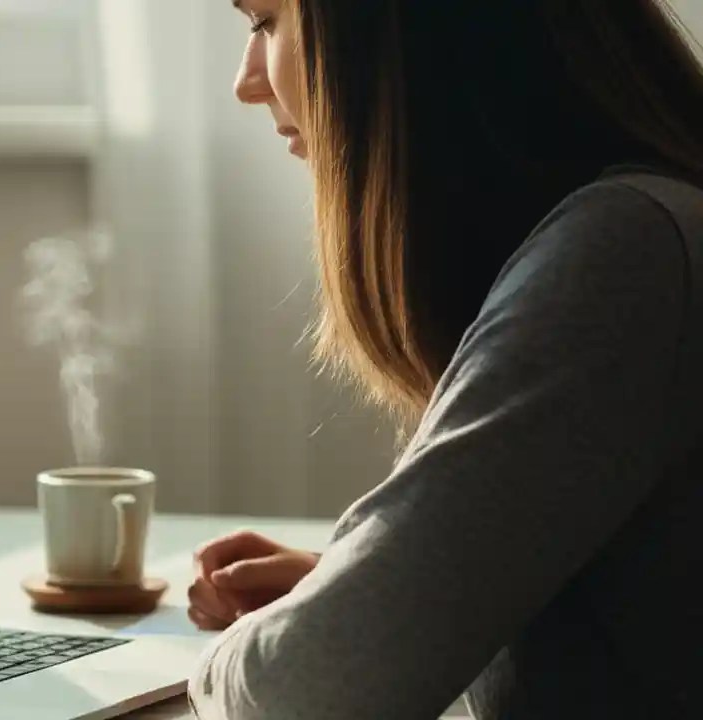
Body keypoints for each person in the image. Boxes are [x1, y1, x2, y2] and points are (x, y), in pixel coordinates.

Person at [186, 1, 703, 718]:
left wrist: (222, 657)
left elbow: (307, 693)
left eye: (264, 21)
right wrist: (346, 590)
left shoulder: (628, 252)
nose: (247, 82)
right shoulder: (650, 224)